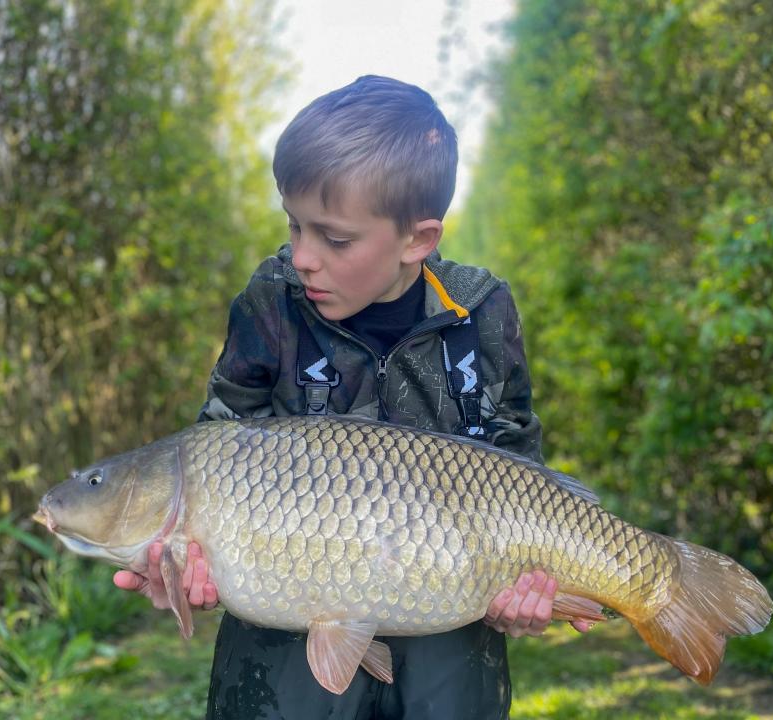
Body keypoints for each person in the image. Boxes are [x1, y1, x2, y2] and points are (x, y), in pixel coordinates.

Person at [113, 75, 595, 720]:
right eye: (294, 226)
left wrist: (530, 593)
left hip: (448, 612)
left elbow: (517, 463)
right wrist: (182, 556)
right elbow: (213, 451)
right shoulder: (270, 303)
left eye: (334, 240)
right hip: (290, 609)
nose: (304, 256)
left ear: (417, 241)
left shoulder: (480, 311)